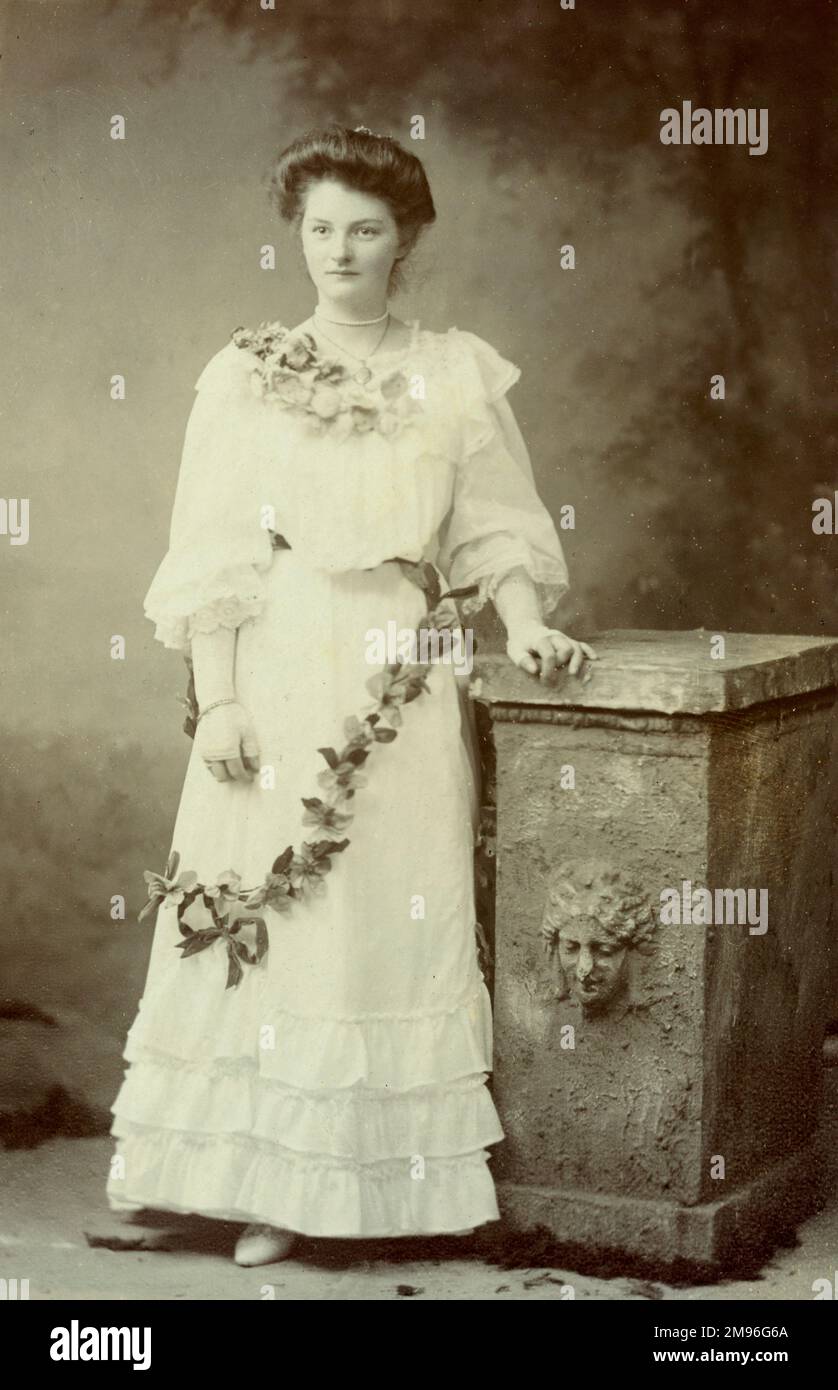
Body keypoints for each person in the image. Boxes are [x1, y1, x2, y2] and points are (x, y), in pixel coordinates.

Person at [106, 124, 596, 1267]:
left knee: (383, 912)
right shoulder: (244, 372)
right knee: (275, 911)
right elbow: (212, 546)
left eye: (364, 229)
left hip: (403, 673)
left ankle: (369, 1185)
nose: (338, 248)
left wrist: (524, 625)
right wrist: (217, 697)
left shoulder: (456, 369)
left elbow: (495, 525)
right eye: (319, 227)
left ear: (404, 239)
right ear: (298, 234)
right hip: (278, 659)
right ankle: (254, 1180)